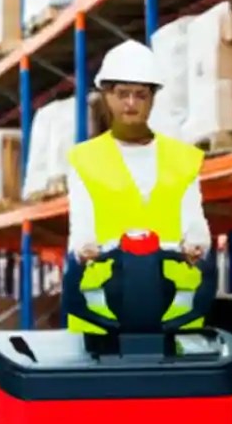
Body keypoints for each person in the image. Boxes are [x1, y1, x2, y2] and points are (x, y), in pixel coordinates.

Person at [65, 39, 212, 333]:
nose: (131, 104)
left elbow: (194, 217)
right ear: (106, 96)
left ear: (152, 98)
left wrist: (197, 242)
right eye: (122, 94)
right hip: (103, 304)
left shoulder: (182, 158)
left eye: (140, 95)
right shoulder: (83, 159)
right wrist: (84, 247)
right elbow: (81, 222)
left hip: (172, 304)